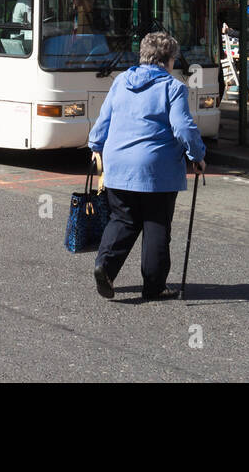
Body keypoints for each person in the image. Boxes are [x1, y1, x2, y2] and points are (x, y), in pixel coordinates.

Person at [88, 32, 206, 301]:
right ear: (168, 60)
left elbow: (103, 120)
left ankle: (105, 265)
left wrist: (96, 146)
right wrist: (197, 155)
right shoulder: (173, 88)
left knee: (123, 220)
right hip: (157, 170)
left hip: (117, 165)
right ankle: (154, 286)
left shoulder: (120, 83)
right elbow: (183, 128)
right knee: (156, 225)